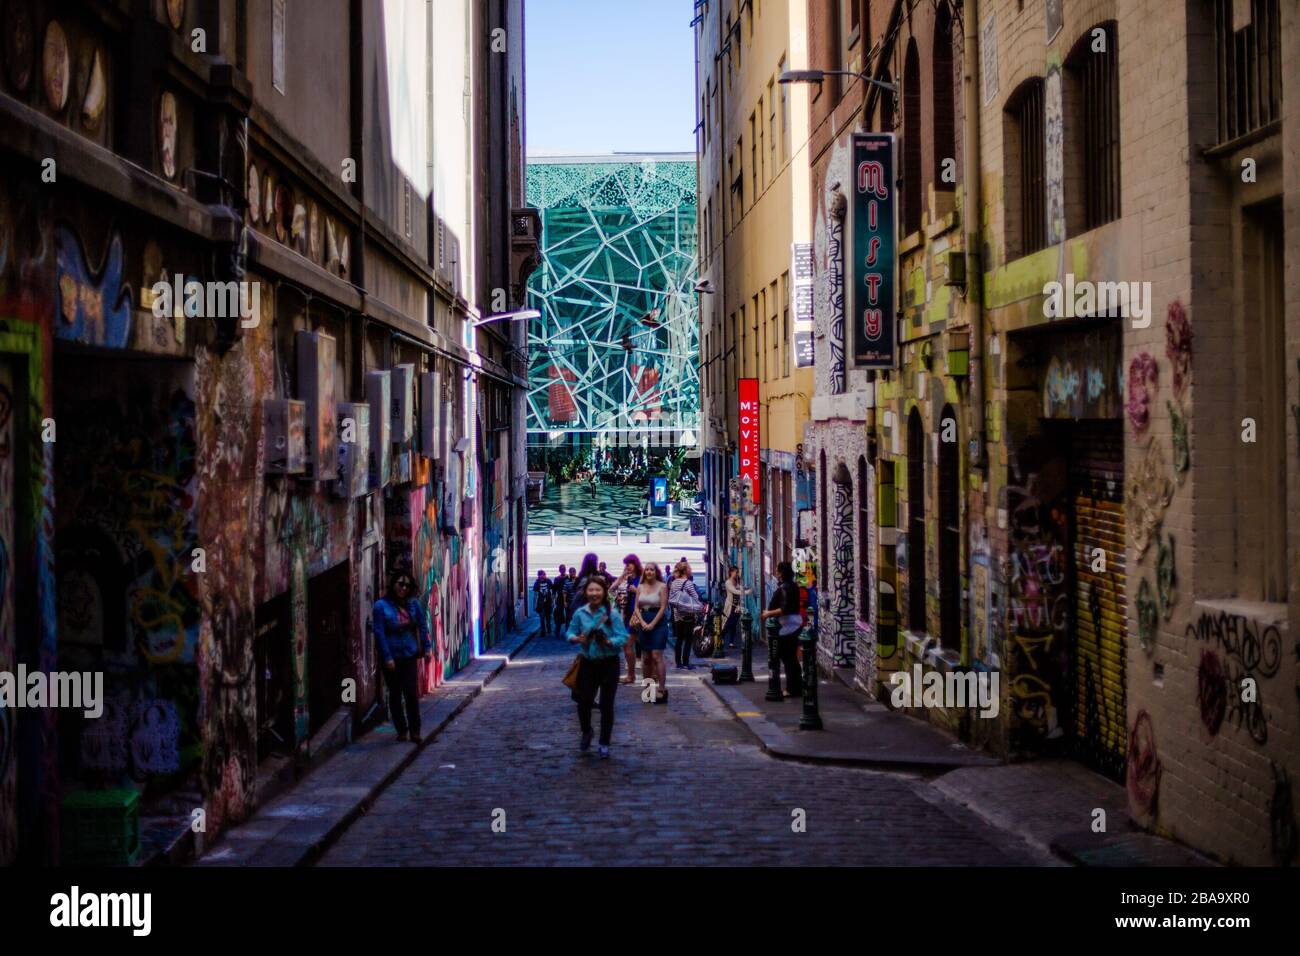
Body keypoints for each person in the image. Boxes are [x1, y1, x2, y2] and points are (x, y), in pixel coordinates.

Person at [566, 576, 628, 758]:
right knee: (583, 702)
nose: (594, 593)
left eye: (597, 590)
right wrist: (575, 638)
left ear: (603, 593)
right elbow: (570, 631)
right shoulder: (580, 614)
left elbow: (622, 637)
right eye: (591, 590)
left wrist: (609, 641)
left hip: (609, 663)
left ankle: (604, 742)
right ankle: (587, 730)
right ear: (586, 593)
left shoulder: (612, 614)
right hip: (588, 662)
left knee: (606, 705)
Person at [373, 573, 431, 743]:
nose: (403, 588)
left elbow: (422, 625)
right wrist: (387, 657)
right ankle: (401, 730)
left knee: (411, 693)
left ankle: (415, 730)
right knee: (395, 694)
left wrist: (427, 648)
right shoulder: (381, 606)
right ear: (393, 585)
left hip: (409, 654)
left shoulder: (413, 605)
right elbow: (379, 632)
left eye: (407, 585)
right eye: (400, 584)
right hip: (391, 657)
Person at [760, 561, 804, 697]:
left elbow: (784, 609)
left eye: (778, 571)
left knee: (787, 658)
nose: (776, 573)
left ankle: (791, 689)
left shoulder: (785, 588)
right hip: (794, 624)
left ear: (781, 573)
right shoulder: (793, 585)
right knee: (791, 658)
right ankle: (796, 687)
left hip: (788, 626)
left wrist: (768, 614)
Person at [631, 562, 671, 703]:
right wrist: (642, 622)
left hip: (658, 622)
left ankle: (661, 689)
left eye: (651, 569)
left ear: (656, 572)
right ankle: (648, 688)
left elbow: (663, 607)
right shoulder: (640, 587)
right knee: (646, 657)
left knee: (656, 655)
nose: (649, 572)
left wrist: (653, 624)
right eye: (647, 569)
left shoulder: (662, 586)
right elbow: (636, 607)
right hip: (644, 620)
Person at [612, 554, 642, 684]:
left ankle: (646, 674)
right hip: (629, 617)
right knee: (627, 645)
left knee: (646, 647)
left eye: (629, 563)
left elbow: (652, 596)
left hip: (640, 616)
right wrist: (622, 576)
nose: (627, 566)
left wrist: (636, 591)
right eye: (626, 564)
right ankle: (631, 675)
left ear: (635, 564)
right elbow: (611, 590)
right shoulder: (628, 580)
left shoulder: (642, 579)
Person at [668, 560, 703, 669]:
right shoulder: (688, 583)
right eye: (690, 568)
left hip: (677, 615)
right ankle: (686, 662)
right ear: (686, 571)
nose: (691, 570)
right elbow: (695, 598)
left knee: (679, 639)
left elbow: (672, 598)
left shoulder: (673, 583)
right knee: (688, 640)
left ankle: (678, 663)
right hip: (688, 615)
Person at [720, 565, 750, 648]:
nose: (737, 574)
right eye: (735, 572)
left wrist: (745, 588)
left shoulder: (736, 581)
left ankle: (731, 642)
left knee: (734, 624)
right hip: (730, 606)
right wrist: (746, 592)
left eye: (737, 572)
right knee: (729, 623)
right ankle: (721, 636)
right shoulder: (728, 583)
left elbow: (741, 588)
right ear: (731, 572)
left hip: (736, 607)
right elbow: (735, 591)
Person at [532, 569, 554, 638]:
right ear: (538, 576)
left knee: (548, 617)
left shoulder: (548, 581)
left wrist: (553, 601)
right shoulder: (537, 583)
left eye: (544, 575)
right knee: (542, 617)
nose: (542, 576)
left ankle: (549, 628)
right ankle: (543, 631)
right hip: (540, 603)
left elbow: (553, 590)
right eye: (541, 575)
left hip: (548, 602)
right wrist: (534, 605)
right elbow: (535, 595)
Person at [554, 563, 570, 632]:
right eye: (561, 569)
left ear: (565, 569)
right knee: (558, 615)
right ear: (559, 570)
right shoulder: (556, 579)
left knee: (568, 616)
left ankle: (568, 631)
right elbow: (554, 590)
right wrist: (553, 599)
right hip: (559, 598)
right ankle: (558, 629)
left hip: (568, 598)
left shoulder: (568, 578)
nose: (562, 570)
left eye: (563, 569)